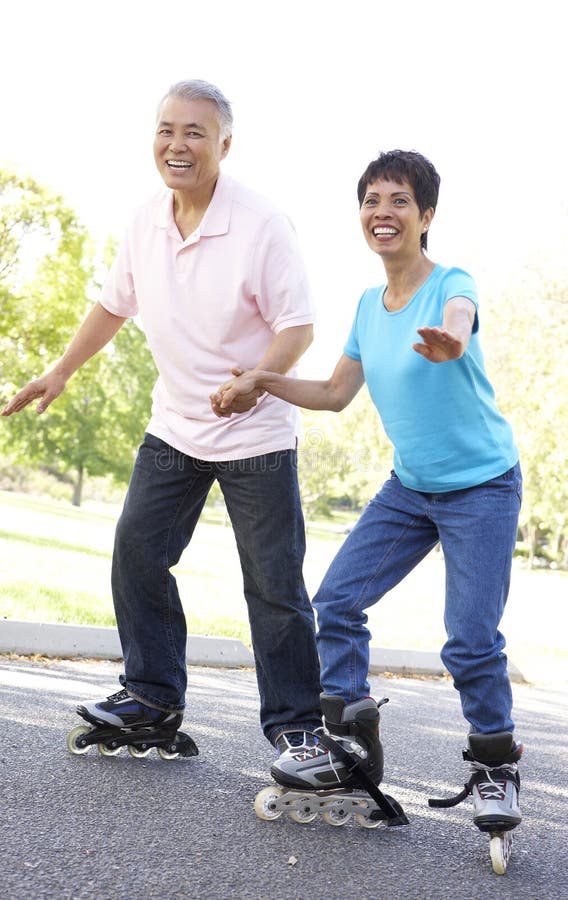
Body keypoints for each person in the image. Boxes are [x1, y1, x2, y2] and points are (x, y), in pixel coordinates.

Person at [2, 79, 322, 754]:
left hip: (256, 433)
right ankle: (151, 696)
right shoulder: (145, 220)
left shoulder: (261, 224)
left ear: (224, 145)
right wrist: (62, 369)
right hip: (177, 424)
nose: (177, 144)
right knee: (138, 553)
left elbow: (298, 327)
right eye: (166, 130)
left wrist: (257, 381)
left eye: (194, 132)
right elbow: (113, 305)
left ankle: (298, 729)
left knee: (273, 585)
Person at [213, 150, 523, 833]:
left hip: (482, 488)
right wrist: (263, 380)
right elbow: (333, 393)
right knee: (336, 600)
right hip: (410, 489)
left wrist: (452, 340)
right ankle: (350, 741)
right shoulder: (365, 305)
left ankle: (495, 767)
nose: (383, 213)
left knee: (470, 640)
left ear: (426, 216)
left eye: (399, 201)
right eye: (372, 200)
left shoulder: (451, 284)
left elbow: (461, 315)